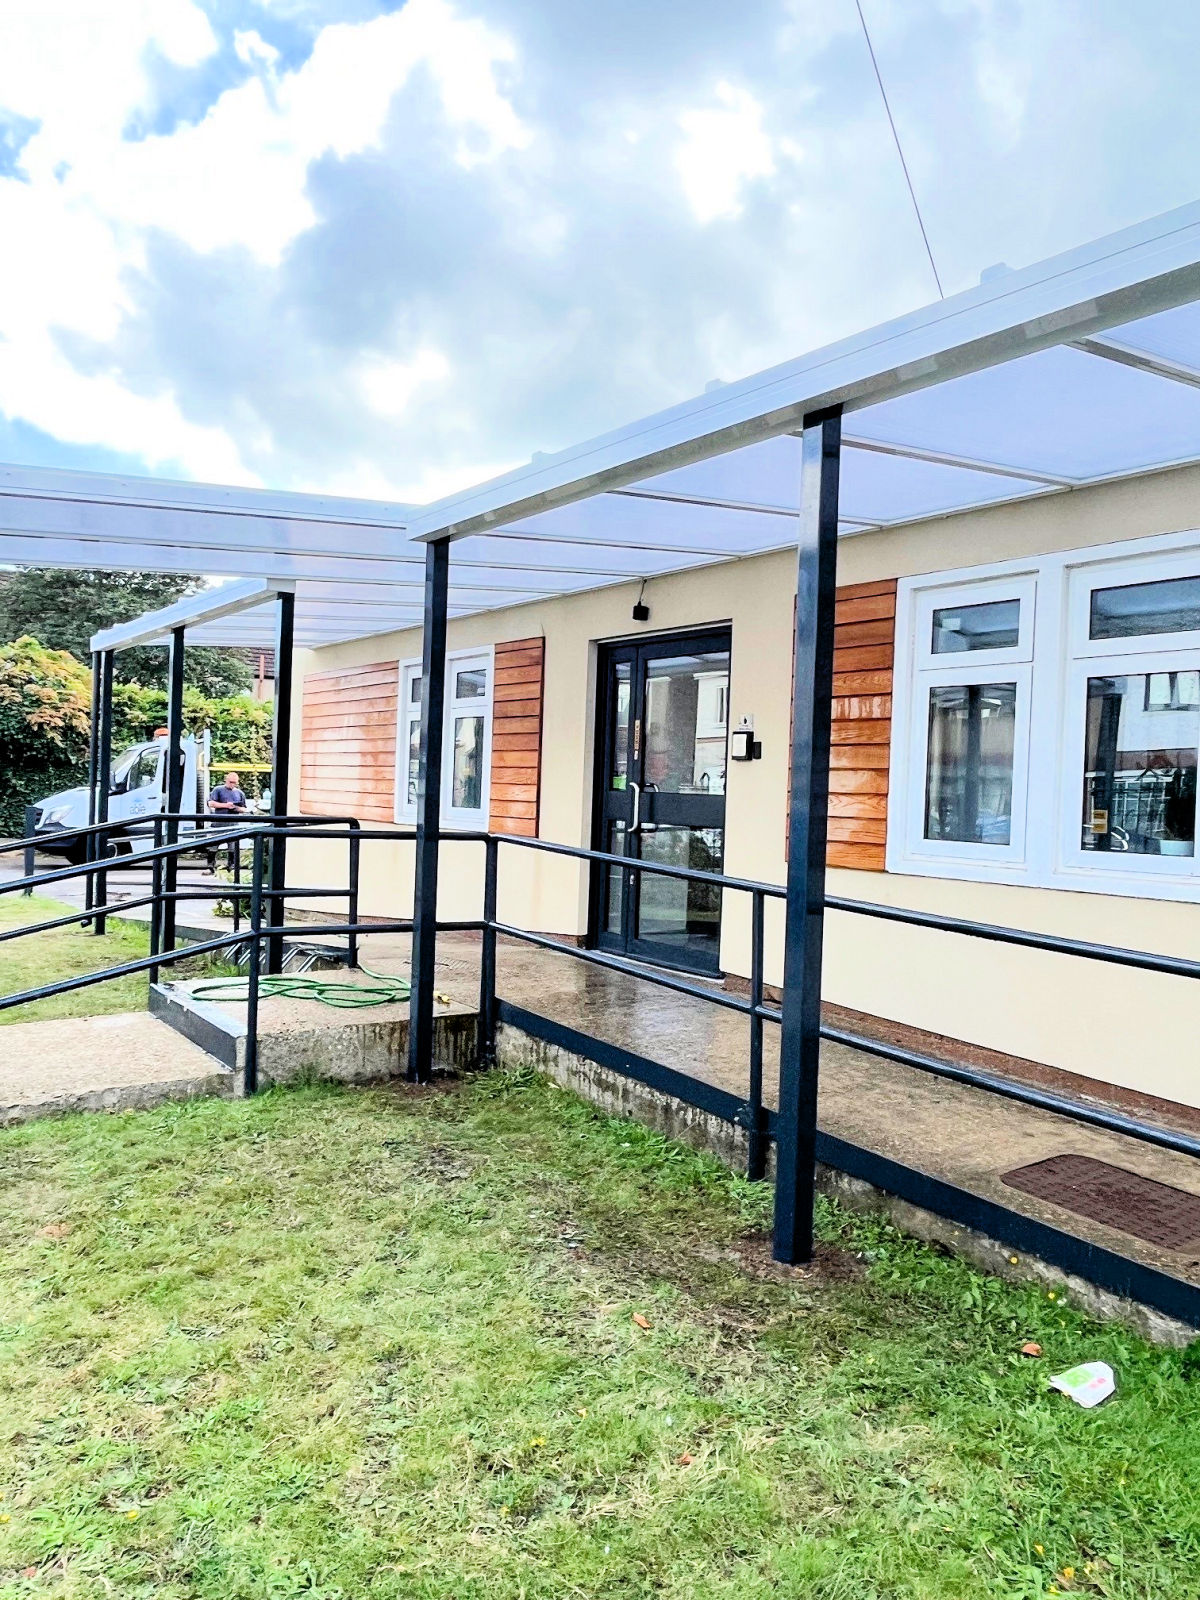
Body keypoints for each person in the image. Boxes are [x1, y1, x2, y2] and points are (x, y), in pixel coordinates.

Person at [207, 770, 248, 870]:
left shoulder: (240, 793)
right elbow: (211, 803)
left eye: (235, 782)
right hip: (218, 823)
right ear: (226, 780)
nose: (232, 784)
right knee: (213, 845)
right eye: (231, 782)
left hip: (233, 824)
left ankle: (231, 866)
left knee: (232, 846)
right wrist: (226, 805)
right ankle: (210, 866)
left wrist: (236, 808)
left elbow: (244, 809)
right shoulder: (218, 790)